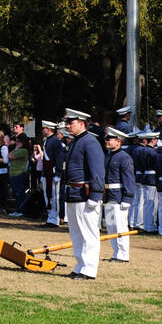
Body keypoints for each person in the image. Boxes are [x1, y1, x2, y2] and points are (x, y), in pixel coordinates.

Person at [62, 108, 105, 280]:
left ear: (81, 123)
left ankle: (89, 269)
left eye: (70, 123)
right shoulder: (75, 142)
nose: (67, 126)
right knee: (76, 233)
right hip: (73, 192)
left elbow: (97, 171)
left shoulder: (90, 142)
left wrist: (95, 195)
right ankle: (80, 265)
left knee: (89, 233)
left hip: (85, 194)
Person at [102, 127, 134, 263]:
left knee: (120, 226)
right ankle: (116, 252)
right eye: (106, 139)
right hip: (109, 195)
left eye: (110, 139)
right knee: (111, 226)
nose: (107, 141)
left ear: (118, 141)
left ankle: (123, 254)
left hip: (119, 196)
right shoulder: (108, 156)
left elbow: (128, 178)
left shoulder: (124, 157)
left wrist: (127, 197)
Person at [39, 120, 64, 227]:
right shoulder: (47, 141)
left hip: (52, 173)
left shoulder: (55, 141)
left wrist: (58, 173)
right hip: (47, 172)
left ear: (48, 129)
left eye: (44, 128)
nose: (42, 130)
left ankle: (55, 219)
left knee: (54, 197)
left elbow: (59, 158)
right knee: (47, 196)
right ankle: (50, 217)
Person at [7, 134, 31, 216]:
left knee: (20, 193)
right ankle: (18, 210)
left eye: (19, 141)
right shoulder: (18, 150)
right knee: (16, 194)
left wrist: (16, 148)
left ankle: (21, 211)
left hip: (19, 174)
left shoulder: (24, 151)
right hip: (14, 174)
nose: (16, 143)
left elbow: (10, 156)